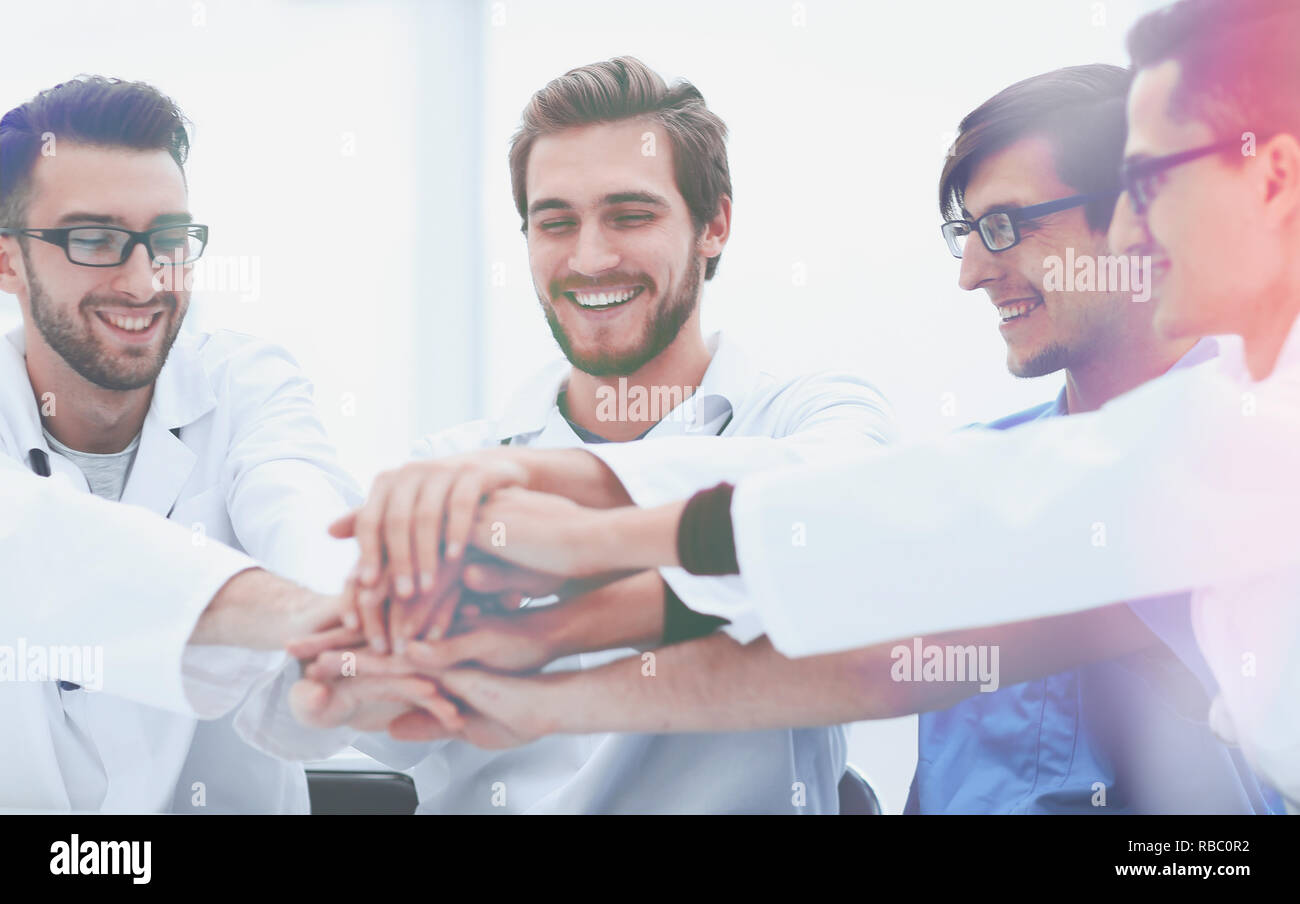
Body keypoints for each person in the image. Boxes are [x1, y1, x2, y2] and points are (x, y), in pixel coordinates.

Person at [297, 64, 1275, 814]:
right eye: (966, 231)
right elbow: (885, 602)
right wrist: (527, 642)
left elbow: (869, 605)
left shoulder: (1233, 456)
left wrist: (578, 536)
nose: (973, 272)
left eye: (1009, 225)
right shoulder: (986, 463)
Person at [287, 56, 895, 814]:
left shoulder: (814, 416)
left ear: (714, 226)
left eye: (630, 216)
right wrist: (353, 669)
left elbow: (845, 520)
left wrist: (575, 509)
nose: (590, 258)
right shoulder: (450, 465)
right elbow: (379, 714)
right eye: (556, 222)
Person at [0, 76, 435, 812]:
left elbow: (298, 500)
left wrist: (340, 614)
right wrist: (277, 615)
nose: (143, 282)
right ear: (9, 260)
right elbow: (32, 537)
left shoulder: (245, 386)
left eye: (168, 240)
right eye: (96, 239)